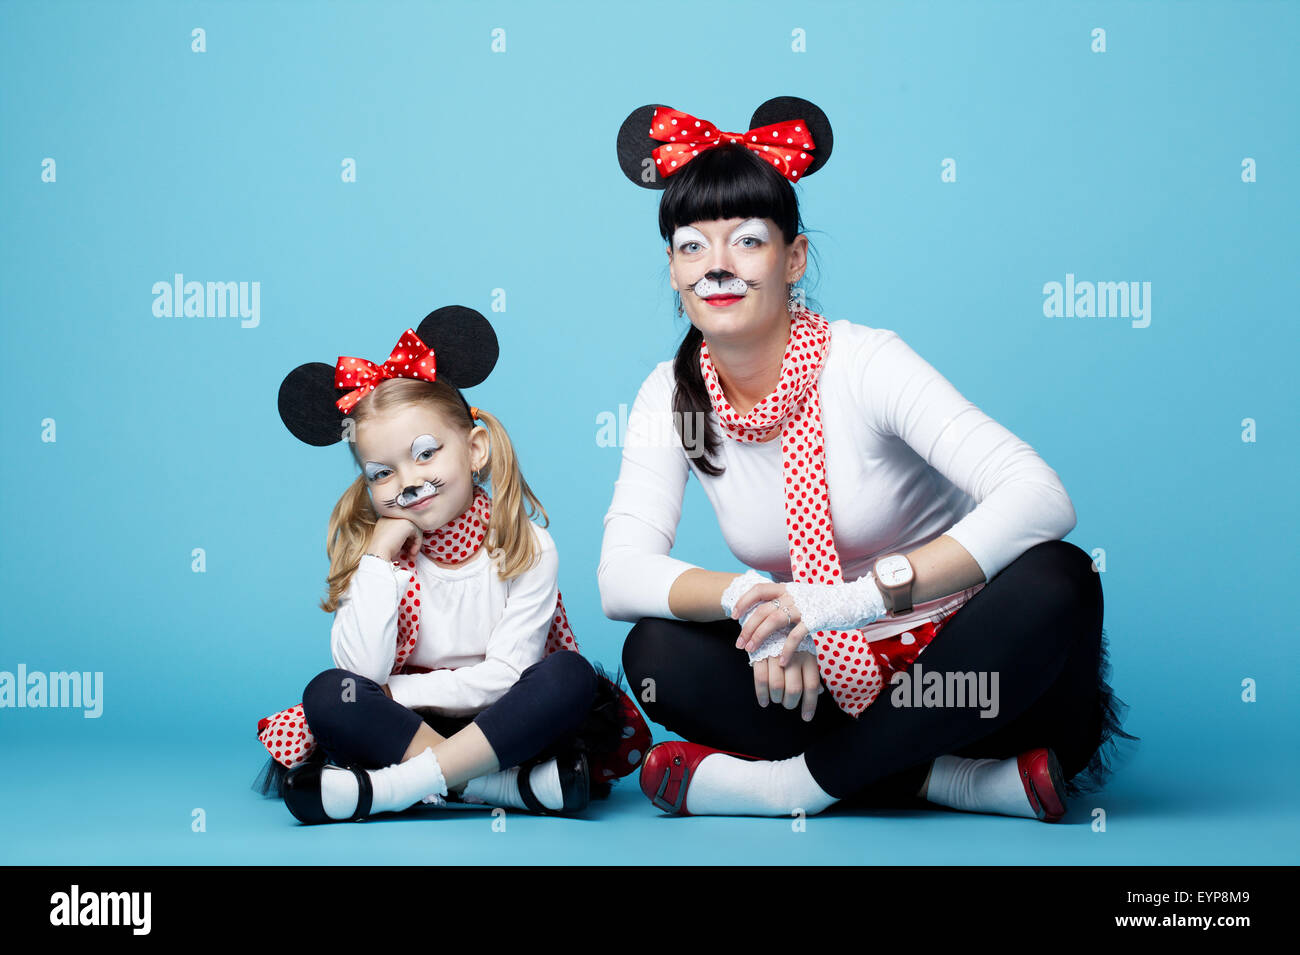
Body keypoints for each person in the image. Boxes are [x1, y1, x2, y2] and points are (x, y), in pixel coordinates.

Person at [602, 98, 1137, 819]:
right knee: (655, 653)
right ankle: (938, 780)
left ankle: (798, 784)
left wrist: (851, 600)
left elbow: (1041, 495)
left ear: (794, 258)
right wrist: (754, 604)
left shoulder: (865, 362)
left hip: (975, 678)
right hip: (821, 675)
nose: (717, 267)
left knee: (1060, 577)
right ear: (671, 270)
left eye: (748, 241)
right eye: (693, 246)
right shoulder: (672, 398)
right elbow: (621, 574)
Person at [252, 306, 648, 824]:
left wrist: (397, 689)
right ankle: (501, 789)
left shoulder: (525, 546)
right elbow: (362, 675)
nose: (408, 483)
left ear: (475, 449)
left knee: (567, 678)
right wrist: (376, 558)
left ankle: (389, 789)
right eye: (382, 474)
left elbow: (508, 676)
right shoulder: (379, 561)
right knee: (330, 694)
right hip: (402, 727)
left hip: (501, 722)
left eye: (425, 453)